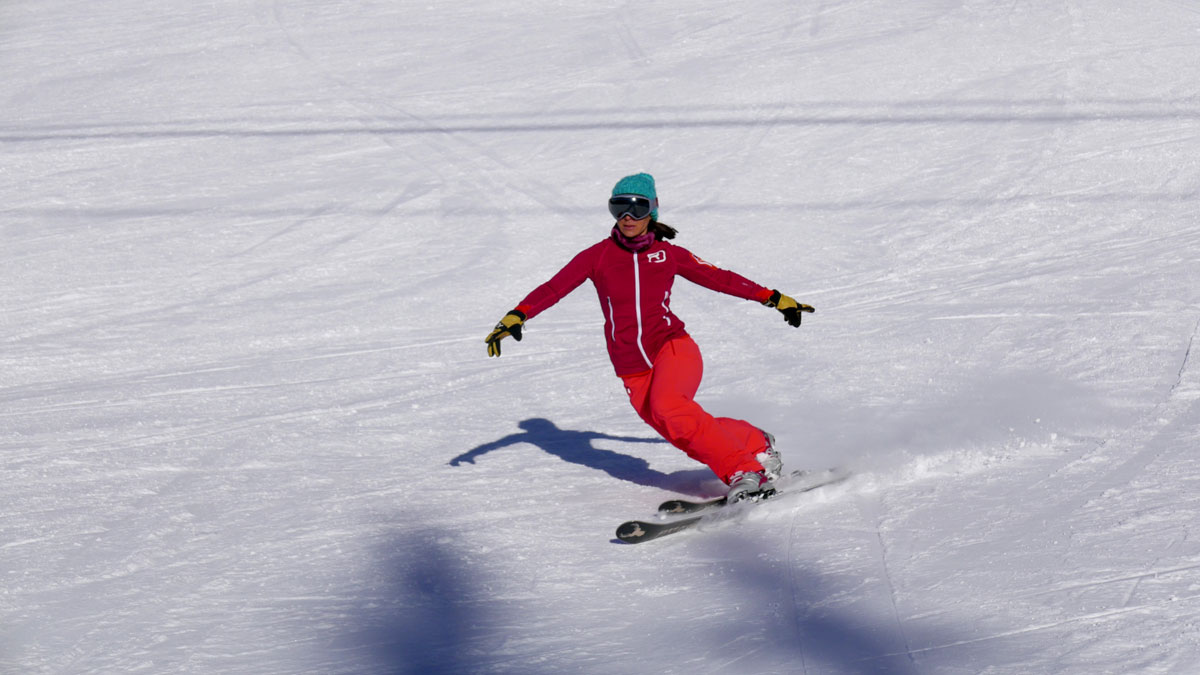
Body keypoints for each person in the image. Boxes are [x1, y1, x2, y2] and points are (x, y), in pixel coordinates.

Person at [484, 173, 814, 502]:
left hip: (672, 346)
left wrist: (772, 297)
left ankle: (744, 471)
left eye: (638, 208)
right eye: (619, 208)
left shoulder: (668, 255)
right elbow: (554, 287)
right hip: (629, 362)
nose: (628, 217)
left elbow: (719, 279)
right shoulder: (597, 257)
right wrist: (518, 314)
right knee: (676, 425)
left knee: (670, 408)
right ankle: (754, 441)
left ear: (652, 212)